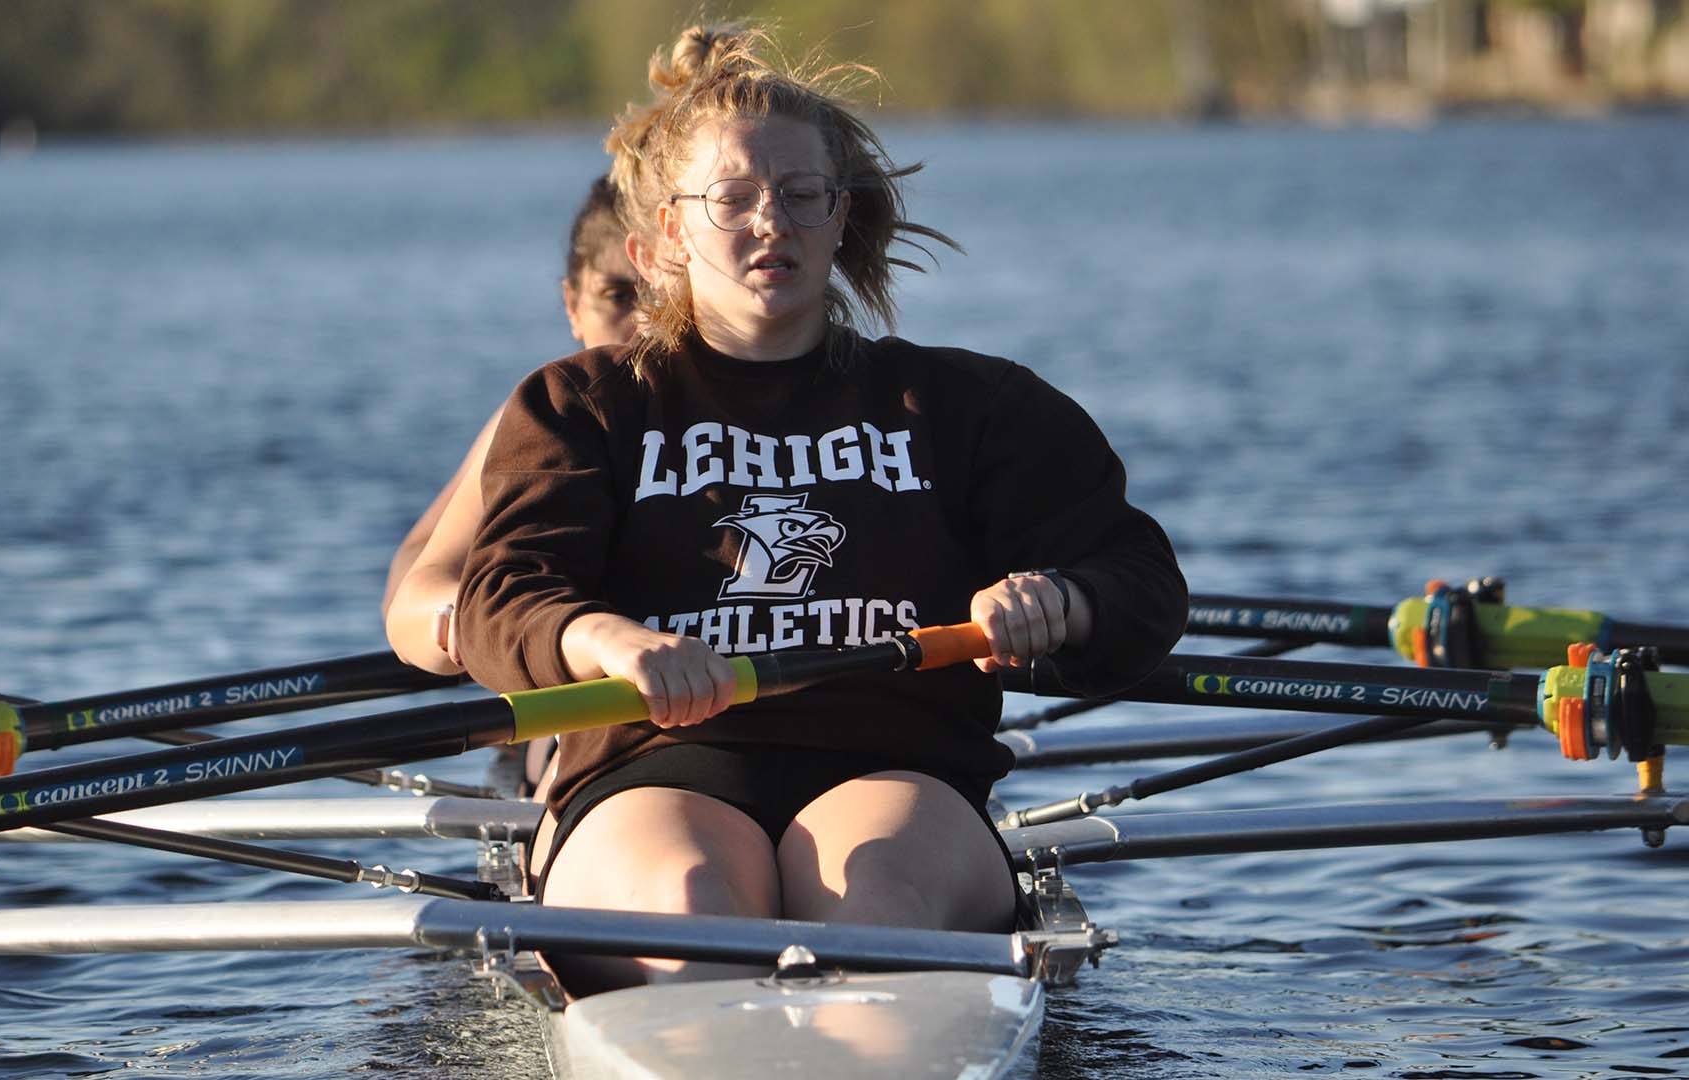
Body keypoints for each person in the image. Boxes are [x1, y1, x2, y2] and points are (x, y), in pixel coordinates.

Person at [456, 23, 1187, 989]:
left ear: (842, 217)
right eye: (736, 199)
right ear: (670, 231)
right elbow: (499, 599)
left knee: (874, 901)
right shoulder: (582, 404)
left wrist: (1061, 601)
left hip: (896, 766)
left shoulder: (972, 406)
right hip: (652, 767)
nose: (773, 223)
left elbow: (1139, 579)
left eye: (803, 196)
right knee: (692, 905)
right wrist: (613, 644)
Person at [384, 178, 638, 798]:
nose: (644, 323)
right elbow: (415, 576)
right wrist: (477, 621)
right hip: (572, 707)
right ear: (572, 305)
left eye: (665, 295)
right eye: (618, 296)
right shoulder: (547, 419)